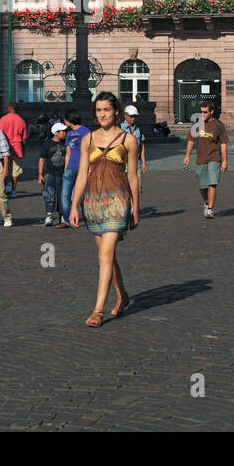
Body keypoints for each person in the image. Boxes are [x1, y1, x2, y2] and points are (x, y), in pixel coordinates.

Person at [69, 92, 140, 327]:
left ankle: (98, 310)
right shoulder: (87, 139)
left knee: (104, 255)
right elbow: (81, 175)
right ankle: (123, 295)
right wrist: (73, 205)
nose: (102, 114)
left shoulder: (128, 140)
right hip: (93, 201)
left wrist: (136, 208)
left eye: (106, 110)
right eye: (99, 110)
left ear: (116, 111)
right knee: (108, 256)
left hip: (118, 201)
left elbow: (132, 176)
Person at [182, 100, 228, 218]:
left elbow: (223, 144)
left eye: (205, 112)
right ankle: (207, 202)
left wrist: (225, 161)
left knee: (212, 183)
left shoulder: (219, 125)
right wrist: (187, 155)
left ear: (211, 112)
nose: (202, 114)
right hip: (201, 158)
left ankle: (210, 209)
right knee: (203, 187)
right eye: (201, 112)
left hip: (214, 157)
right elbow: (191, 141)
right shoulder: (197, 125)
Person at [61, 108, 90, 225]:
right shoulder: (68, 134)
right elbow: (68, 152)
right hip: (70, 167)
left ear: (69, 120)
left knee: (84, 195)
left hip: (83, 167)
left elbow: (90, 151)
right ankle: (68, 219)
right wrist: (65, 168)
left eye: (65, 120)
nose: (64, 122)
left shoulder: (86, 131)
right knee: (65, 194)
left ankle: (87, 217)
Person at [39, 122, 69, 226]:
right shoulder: (47, 145)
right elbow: (42, 160)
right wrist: (40, 174)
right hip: (50, 174)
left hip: (62, 174)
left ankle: (62, 216)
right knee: (49, 195)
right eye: (62, 131)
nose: (64, 133)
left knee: (62, 196)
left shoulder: (66, 143)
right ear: (56, 133)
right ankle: (49, 216)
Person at [0, 103, 28, 197]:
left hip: (5, 146)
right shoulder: (21, 120)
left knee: (5, 168)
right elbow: (24, 138)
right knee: (15, 171)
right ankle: (14, 190)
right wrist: (23, 149)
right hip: (17, 147)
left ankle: (6, 186)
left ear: (9, 108)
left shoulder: (3, 119)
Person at [120, 105, 148, 191]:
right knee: (124, 192)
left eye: (135, 116)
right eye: (131, 116)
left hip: (137, 165)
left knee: (136, 190)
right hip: (123, 166)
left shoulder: (138, 129)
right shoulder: (119, 128)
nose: (133, 118)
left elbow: (142, 146)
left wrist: (143, 162)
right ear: (125, 115)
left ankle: (134, 205)